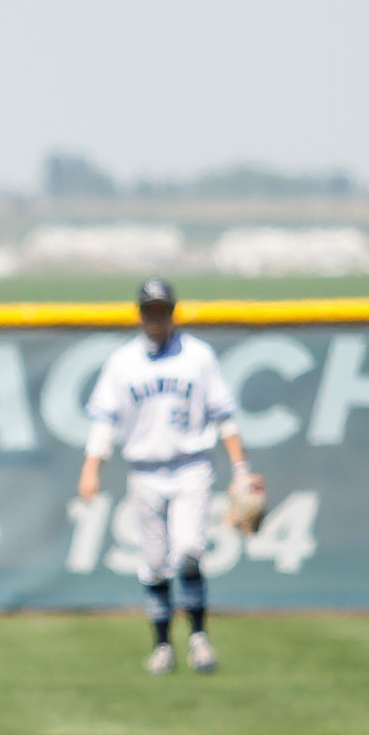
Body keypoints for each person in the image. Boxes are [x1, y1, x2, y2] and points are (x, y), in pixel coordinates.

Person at [76, 279, 263, 675]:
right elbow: (103, 421)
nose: (156, 317)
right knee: (155, 562)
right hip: (143, 471)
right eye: (150, 310)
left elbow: (224, 416)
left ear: (173, 312)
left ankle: (198, 639)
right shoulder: (123, 362)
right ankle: (162, 645)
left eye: (162, 309)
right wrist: (92, 467)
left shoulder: (199, 357)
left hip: (191, 466)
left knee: (189, 551)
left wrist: (241, 468)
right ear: (140, 314)